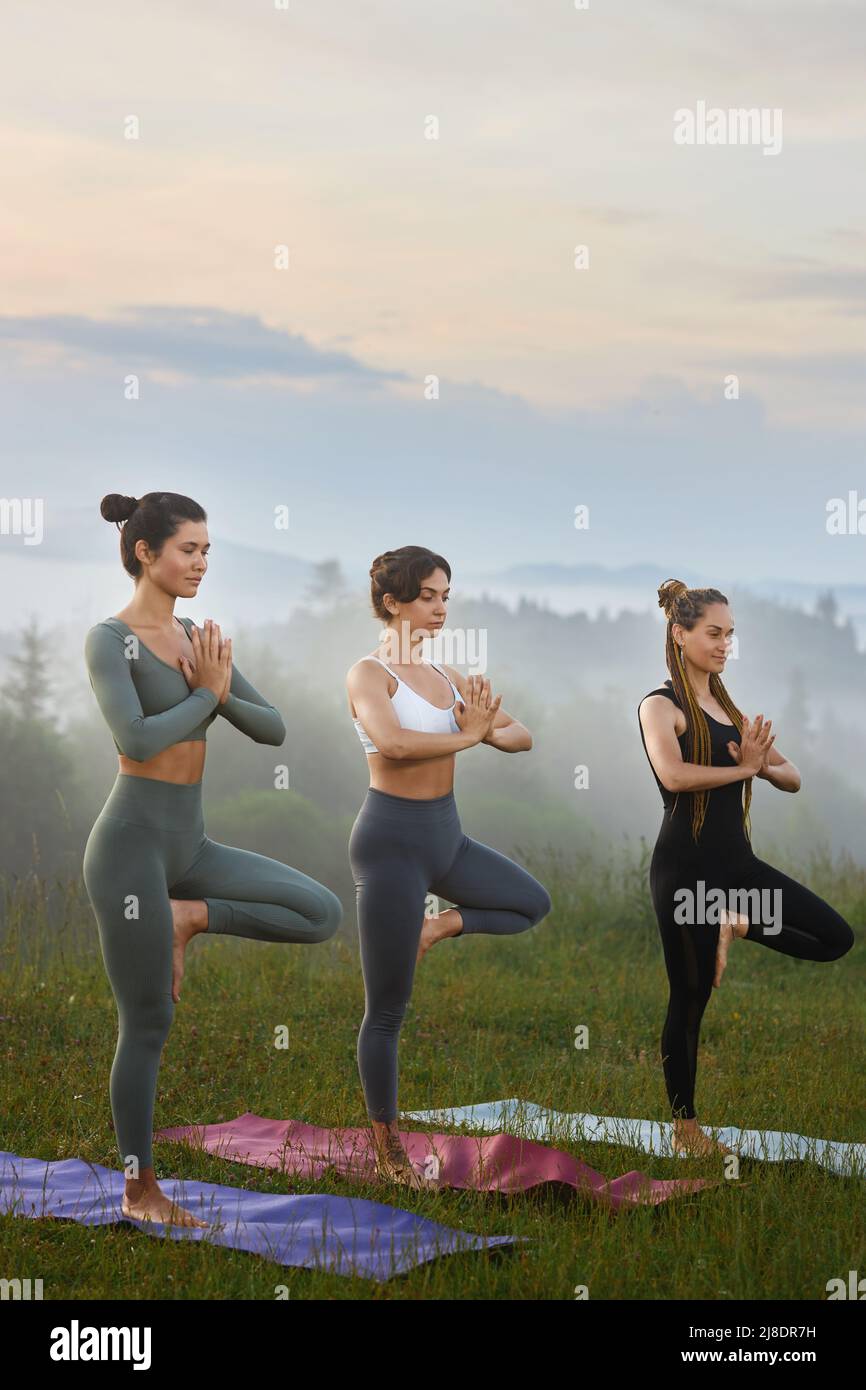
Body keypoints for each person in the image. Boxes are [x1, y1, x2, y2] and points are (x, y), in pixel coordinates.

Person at [84, 491, 342, 1226]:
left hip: (190, 846)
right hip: (130, 845)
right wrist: (208, 696)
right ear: (145, 553)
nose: (200, 564)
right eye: (188, 550)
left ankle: (190, 917)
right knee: (148, 1023)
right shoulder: (111, 640)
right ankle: (140, 1192)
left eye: (207, 552)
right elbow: (136, 739)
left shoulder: (199, 637)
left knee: (319, 912)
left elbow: (275, 729)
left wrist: (217, 690)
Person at [346, 545, 552, 1189]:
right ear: (392, 602)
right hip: (390, 845)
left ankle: (438, 927)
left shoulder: (445, 674)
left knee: (531, 903)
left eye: (444, 597)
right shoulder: (369, 673)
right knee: (387, 1010)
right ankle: (387, 1152)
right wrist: (469, 735)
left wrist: (484, 726)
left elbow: (522, 736)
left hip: (447, 839)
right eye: (429, 596)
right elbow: (395, 743)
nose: (439, 609)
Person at [637, 578, 854, 1156]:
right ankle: (686, 1131)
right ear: (680, 635)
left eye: (730, 634)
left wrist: (759, 765)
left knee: (835, 937)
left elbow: (792, 776)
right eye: (714, 633)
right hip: (683, 871)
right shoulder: (661, 706)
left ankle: (737, 923)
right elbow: (674, 777)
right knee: (689, 997)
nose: (725, 644)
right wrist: (742, 771)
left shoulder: (728, 708)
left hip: (738, 867)